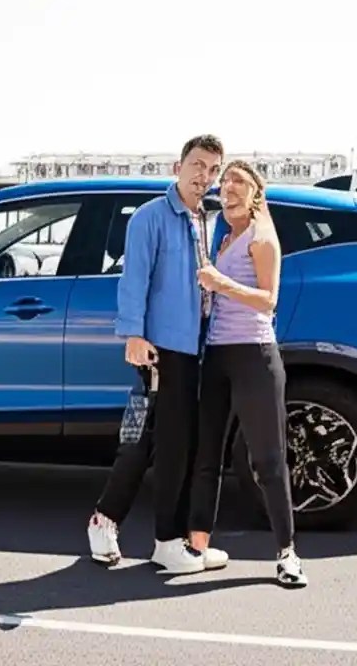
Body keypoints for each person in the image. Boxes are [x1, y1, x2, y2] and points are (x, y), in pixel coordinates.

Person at [86, 134, 229, 575]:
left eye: (213, 170)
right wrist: (133, 334)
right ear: (177, 167)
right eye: (198, 165)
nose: (204, 176)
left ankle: (107, 520)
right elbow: (134, 280)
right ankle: (167, 542)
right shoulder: (150, 217)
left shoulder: (204, 219)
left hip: (198, 347)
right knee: (169, 445)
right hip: (163, 349)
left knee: (150, 438)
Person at [186, 159, 307, 587]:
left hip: (255, 355)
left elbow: (268, 300)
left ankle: (288, 554)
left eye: (239, 181)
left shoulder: (262, 237)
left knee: (268, 461)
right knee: (206, 457)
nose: (229, 187)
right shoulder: (223, 239)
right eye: (226, 182)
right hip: (217, 355)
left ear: (256, 193)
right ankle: (197, 547)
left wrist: (219, 283)